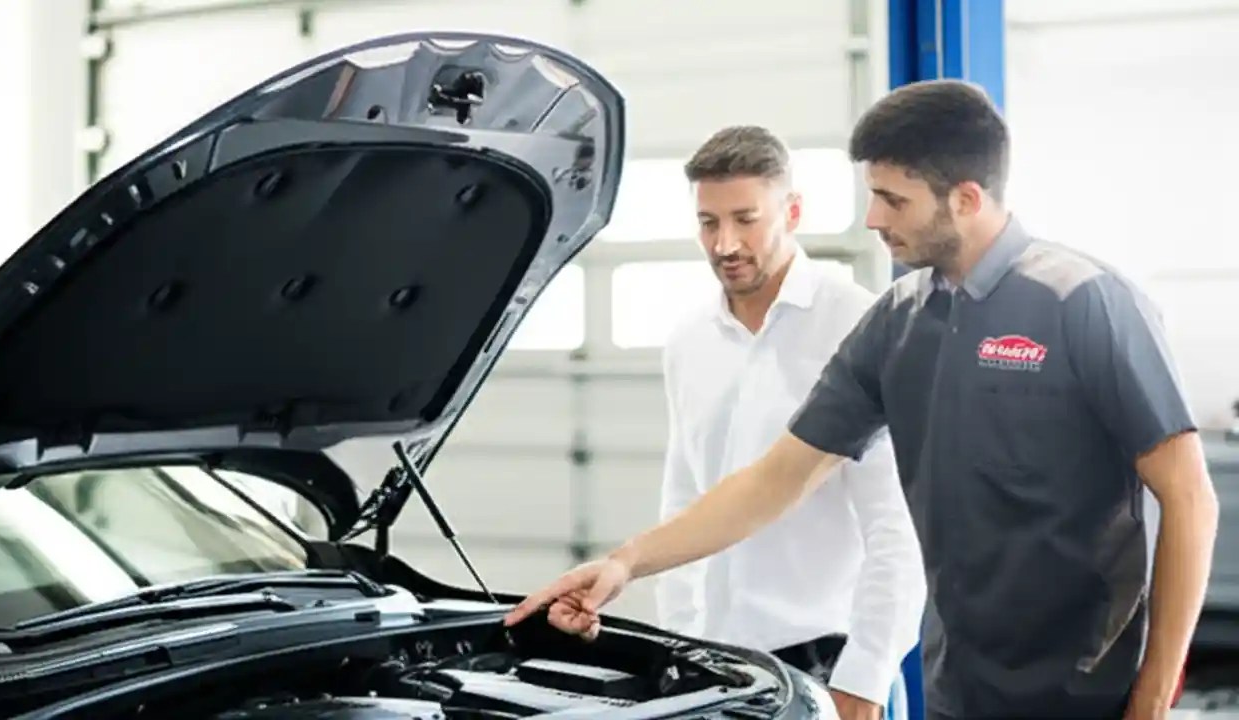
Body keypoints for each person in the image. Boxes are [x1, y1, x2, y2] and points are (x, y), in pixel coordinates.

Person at [505, 79, 1219, 720]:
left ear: (966, 199)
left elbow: (1189, 497)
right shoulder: (898, 320)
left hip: (1091, 696)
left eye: (893, 198)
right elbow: (773, 479)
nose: (873, 218)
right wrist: (627, 563)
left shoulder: (1086, 301)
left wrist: (1153, 697)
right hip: (959, 691)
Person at [654, 125, 926, 720]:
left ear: (792, 211)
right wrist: (676, 645)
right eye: (709, 223)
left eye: (746, 219)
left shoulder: (859, 325)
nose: (725, 243)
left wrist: (867, 675)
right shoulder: (687, 341)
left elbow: (896, 524)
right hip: (718, 671)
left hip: (835, 668)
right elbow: (683, 497)